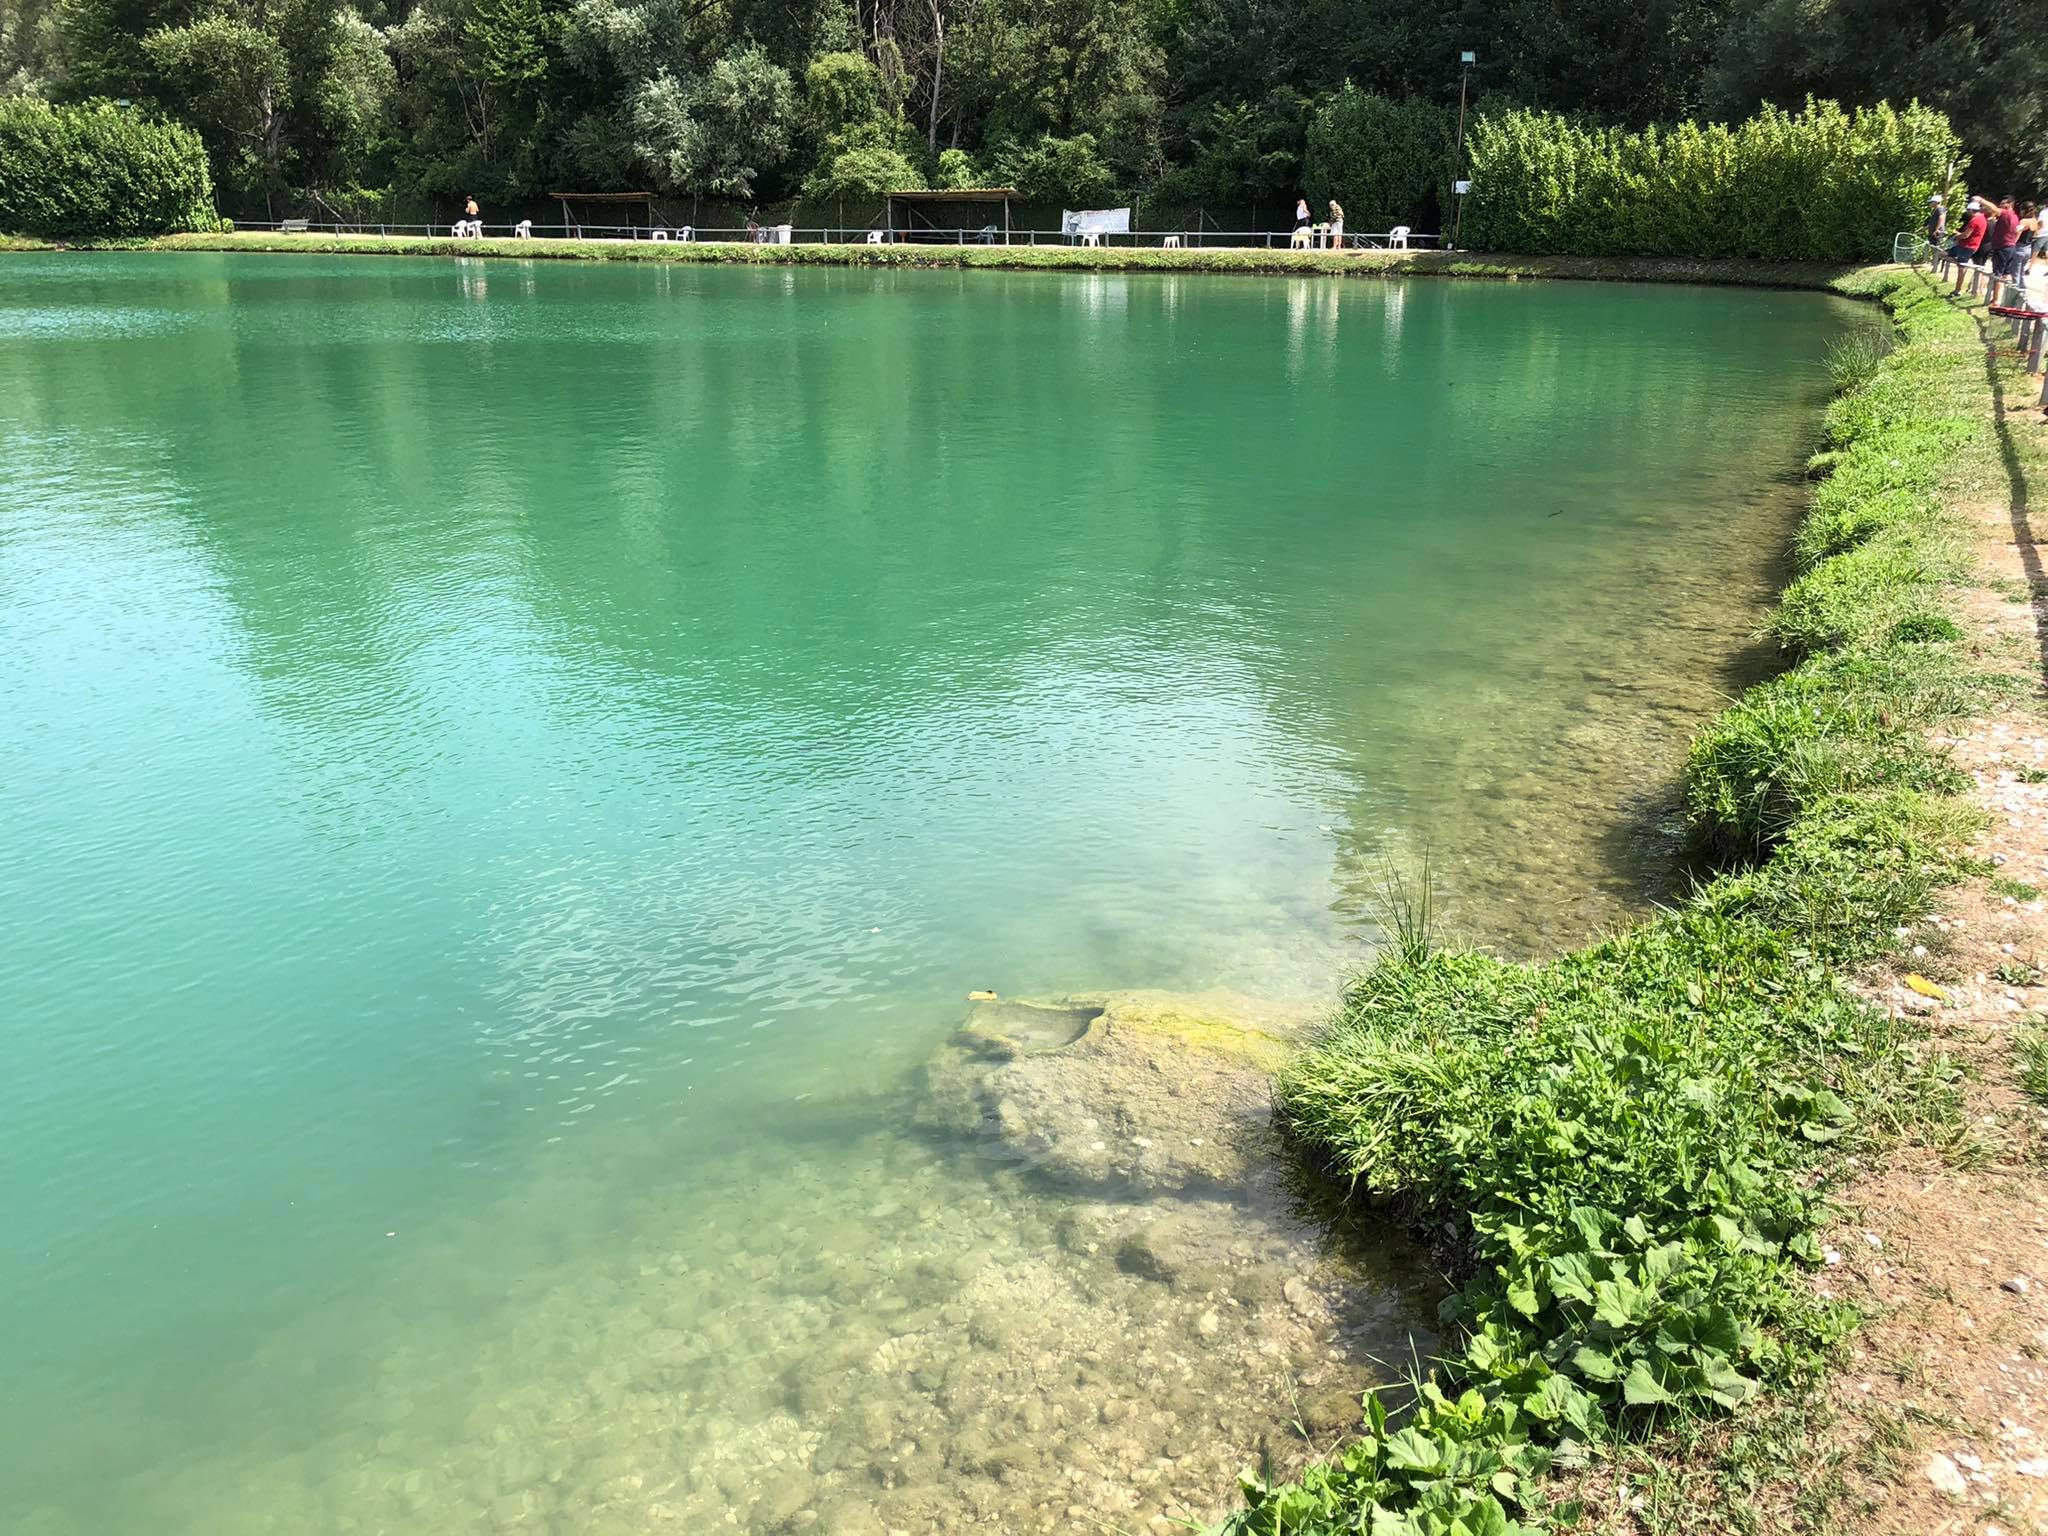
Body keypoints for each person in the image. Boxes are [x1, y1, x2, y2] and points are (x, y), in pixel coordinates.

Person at [1950, 196, 1988, 291]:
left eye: (1968, 210)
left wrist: (1956, 236)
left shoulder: (1974, 220)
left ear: (1971, 210)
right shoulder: (1983, 218)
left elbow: (1966, 235)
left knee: (1961, 268)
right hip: (1970, 246)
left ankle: (1957, 290)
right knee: (1946, 253)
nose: (1967, 212)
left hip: (1967, 246)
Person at [1987, 194, 2022, 281]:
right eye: (2000, 204)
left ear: (2010, 204)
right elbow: (2018, 231)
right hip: (2010, 248)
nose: (2001, 206)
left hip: (2002, 249)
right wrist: (2013, 242)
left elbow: (1993, 208)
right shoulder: (2015, 216)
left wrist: (1980, 200)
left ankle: (1995, 294)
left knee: (1997, 276)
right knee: (2006, 275)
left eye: (2003, 204)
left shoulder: (2006, 213)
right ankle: (2001, 294)